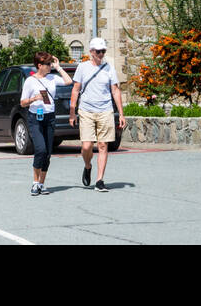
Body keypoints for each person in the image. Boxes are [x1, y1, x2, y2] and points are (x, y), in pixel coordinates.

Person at [68, 38, 125, 192]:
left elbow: (115, 90)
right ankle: (88, 166)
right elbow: (75, 90)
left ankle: (100, 180)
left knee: (102, 145)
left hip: (105, 110)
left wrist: (121, 113)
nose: (101, 54)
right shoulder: (83, 67)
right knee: (87, 146)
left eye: (103, 51)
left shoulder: (109, 68)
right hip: (86, 111)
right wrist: (72, 112)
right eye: (98, 51)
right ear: (91, 52)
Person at [19, 53, 72, 196]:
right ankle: (35, 183)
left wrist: (59, 67)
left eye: (50, 64)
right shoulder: (30, 81)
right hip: (35, 117)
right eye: (48, 64)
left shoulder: (52, 78)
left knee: (48, 153)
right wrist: (33, 99)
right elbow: (22, 102)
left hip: (49, 117)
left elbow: (68, 81)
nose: (50, 66)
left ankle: (41, 184)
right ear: (39, 66)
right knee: (41, 150)